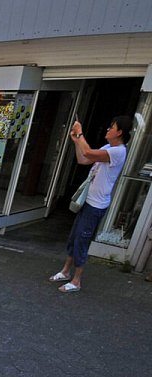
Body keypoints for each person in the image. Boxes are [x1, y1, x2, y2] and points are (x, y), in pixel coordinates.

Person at [49, 116, 132, 293]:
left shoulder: (118, 151)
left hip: (96, 205)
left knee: (82, 240)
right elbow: (83, 159)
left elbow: (87, 152)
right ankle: (66, 271)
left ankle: (76, 280)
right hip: (88, 201)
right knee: (74, 238)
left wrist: (80, 134)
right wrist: (76, 141)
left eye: (111, 127)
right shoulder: (108, 147)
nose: (108, 129)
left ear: (120, 132)